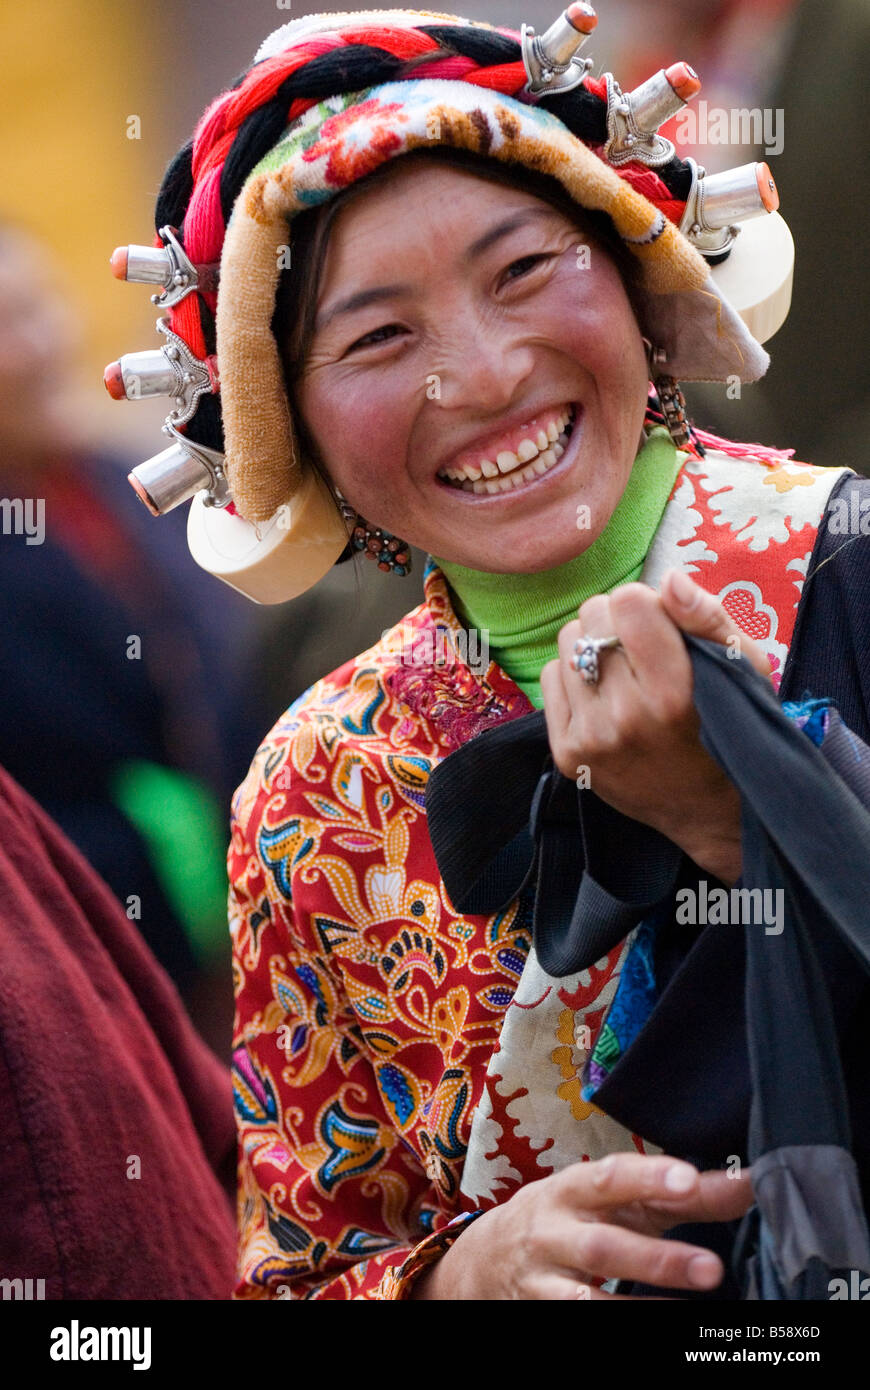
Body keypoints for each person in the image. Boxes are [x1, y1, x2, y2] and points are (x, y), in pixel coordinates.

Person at [109, 8, 869, 1299]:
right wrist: (458, 1275)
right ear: (290, 431)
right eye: (377, 337)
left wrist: (744, 821)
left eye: (522, 271)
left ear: (638, 281)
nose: (480, 371)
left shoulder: (844, 572)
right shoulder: (314, 794)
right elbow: (297, 1269)